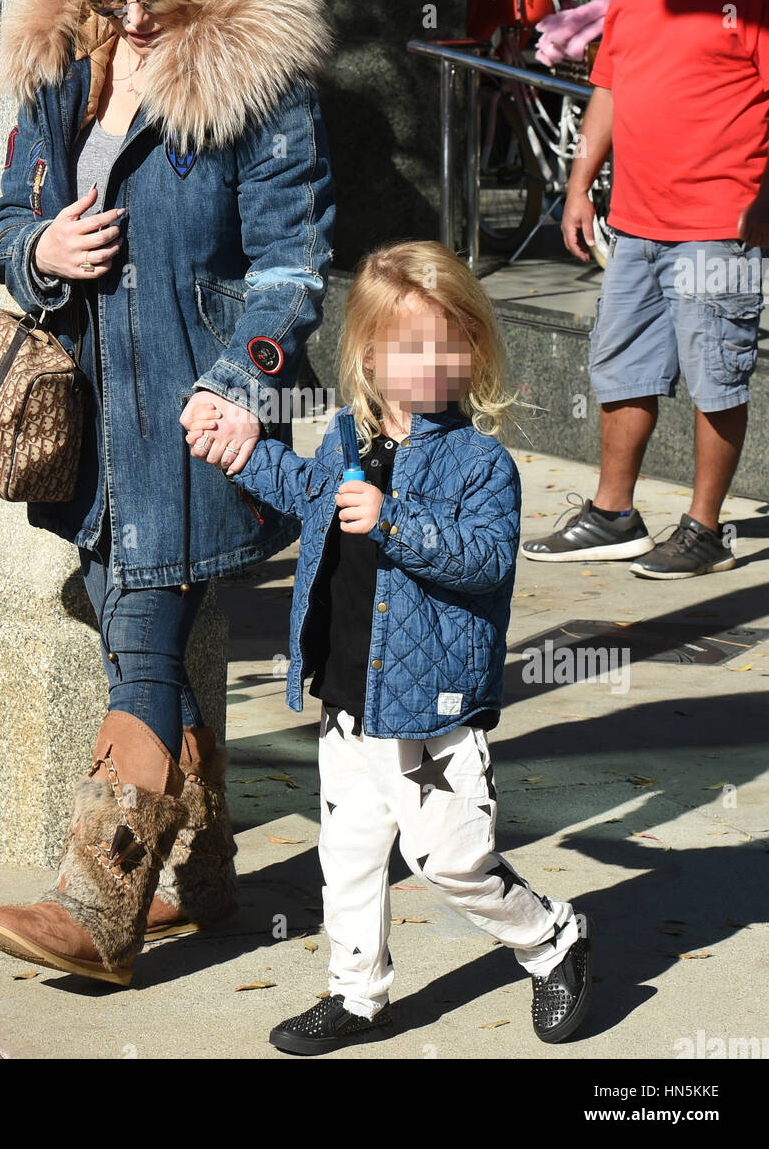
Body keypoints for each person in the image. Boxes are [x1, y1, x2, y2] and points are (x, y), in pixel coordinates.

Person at [0, 0, 336, 985]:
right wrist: (43, 253)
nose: (133, 17)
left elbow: (291, 263)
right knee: (163, 635)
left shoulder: (256, 77)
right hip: (91, 415)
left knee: (141, 641)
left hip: (199, 414)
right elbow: (5, 220)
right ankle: (206, 873)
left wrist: (246, 381)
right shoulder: (57, 67)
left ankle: (99, 902)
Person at [186, 241, 592, 1054]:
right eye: (411, 346)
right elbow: (307, 493)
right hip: (349, 704)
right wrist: (239, 442)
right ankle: (356, 992)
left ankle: (551, 937)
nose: (433, 363)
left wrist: (396, 521)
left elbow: (486, 561)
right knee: (349, 858)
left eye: (451, 342)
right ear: (370, 353)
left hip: (430, 714)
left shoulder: (482, 465)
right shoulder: (347, 438)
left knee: (451, 861)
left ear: (475, 345)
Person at [524, 0, 769, 578]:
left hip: (719, 221)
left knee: (715, 377)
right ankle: (613, 514)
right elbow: (609, 89)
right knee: (623, 368)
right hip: (635, 219)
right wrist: (578, 187)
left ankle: (704, 529)